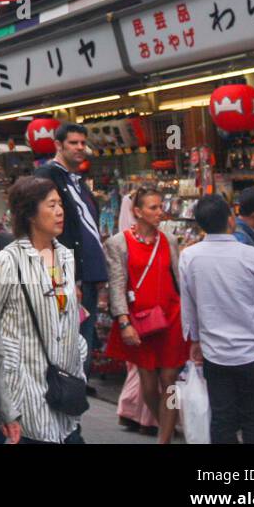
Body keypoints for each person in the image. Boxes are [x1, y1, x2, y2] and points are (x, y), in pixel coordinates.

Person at [0, 175, 87, 444]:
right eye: (51, 205)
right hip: (25, 388)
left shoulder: (66, 256)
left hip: (65, 385)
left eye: (60, 204)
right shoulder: (7, 262)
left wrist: (79, 349)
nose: (60, 212)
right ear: (30, 213)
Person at [179, 194, 254, 444]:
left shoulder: (189, 257)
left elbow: (188, 303)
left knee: (223, 419)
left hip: (216, 353)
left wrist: (194, 339)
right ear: (230, 219)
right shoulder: (252, 256)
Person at [102, 186, 186, 444]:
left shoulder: (169, 240)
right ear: (137, 212)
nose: (160, 212)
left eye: (161, 207)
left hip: (171, 317)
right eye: (153, 207)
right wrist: (123, 321)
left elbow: (179, 280)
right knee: (148, 386)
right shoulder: (119, 242)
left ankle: (164, 439)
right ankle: (166, 426)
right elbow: (117, 284)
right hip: (140, 322)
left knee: (169, 380)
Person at [34, 124, 107, 386]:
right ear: (58, 145)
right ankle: (64, 415)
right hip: (68, 281)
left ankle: (72, 414)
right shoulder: (47, 177)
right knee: (69, 350)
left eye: (82, 143)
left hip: (86, 279)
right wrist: (64, 280)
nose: (79, 148)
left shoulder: (76, 182)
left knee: (81, 350)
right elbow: (45, 234)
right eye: (73, 143)